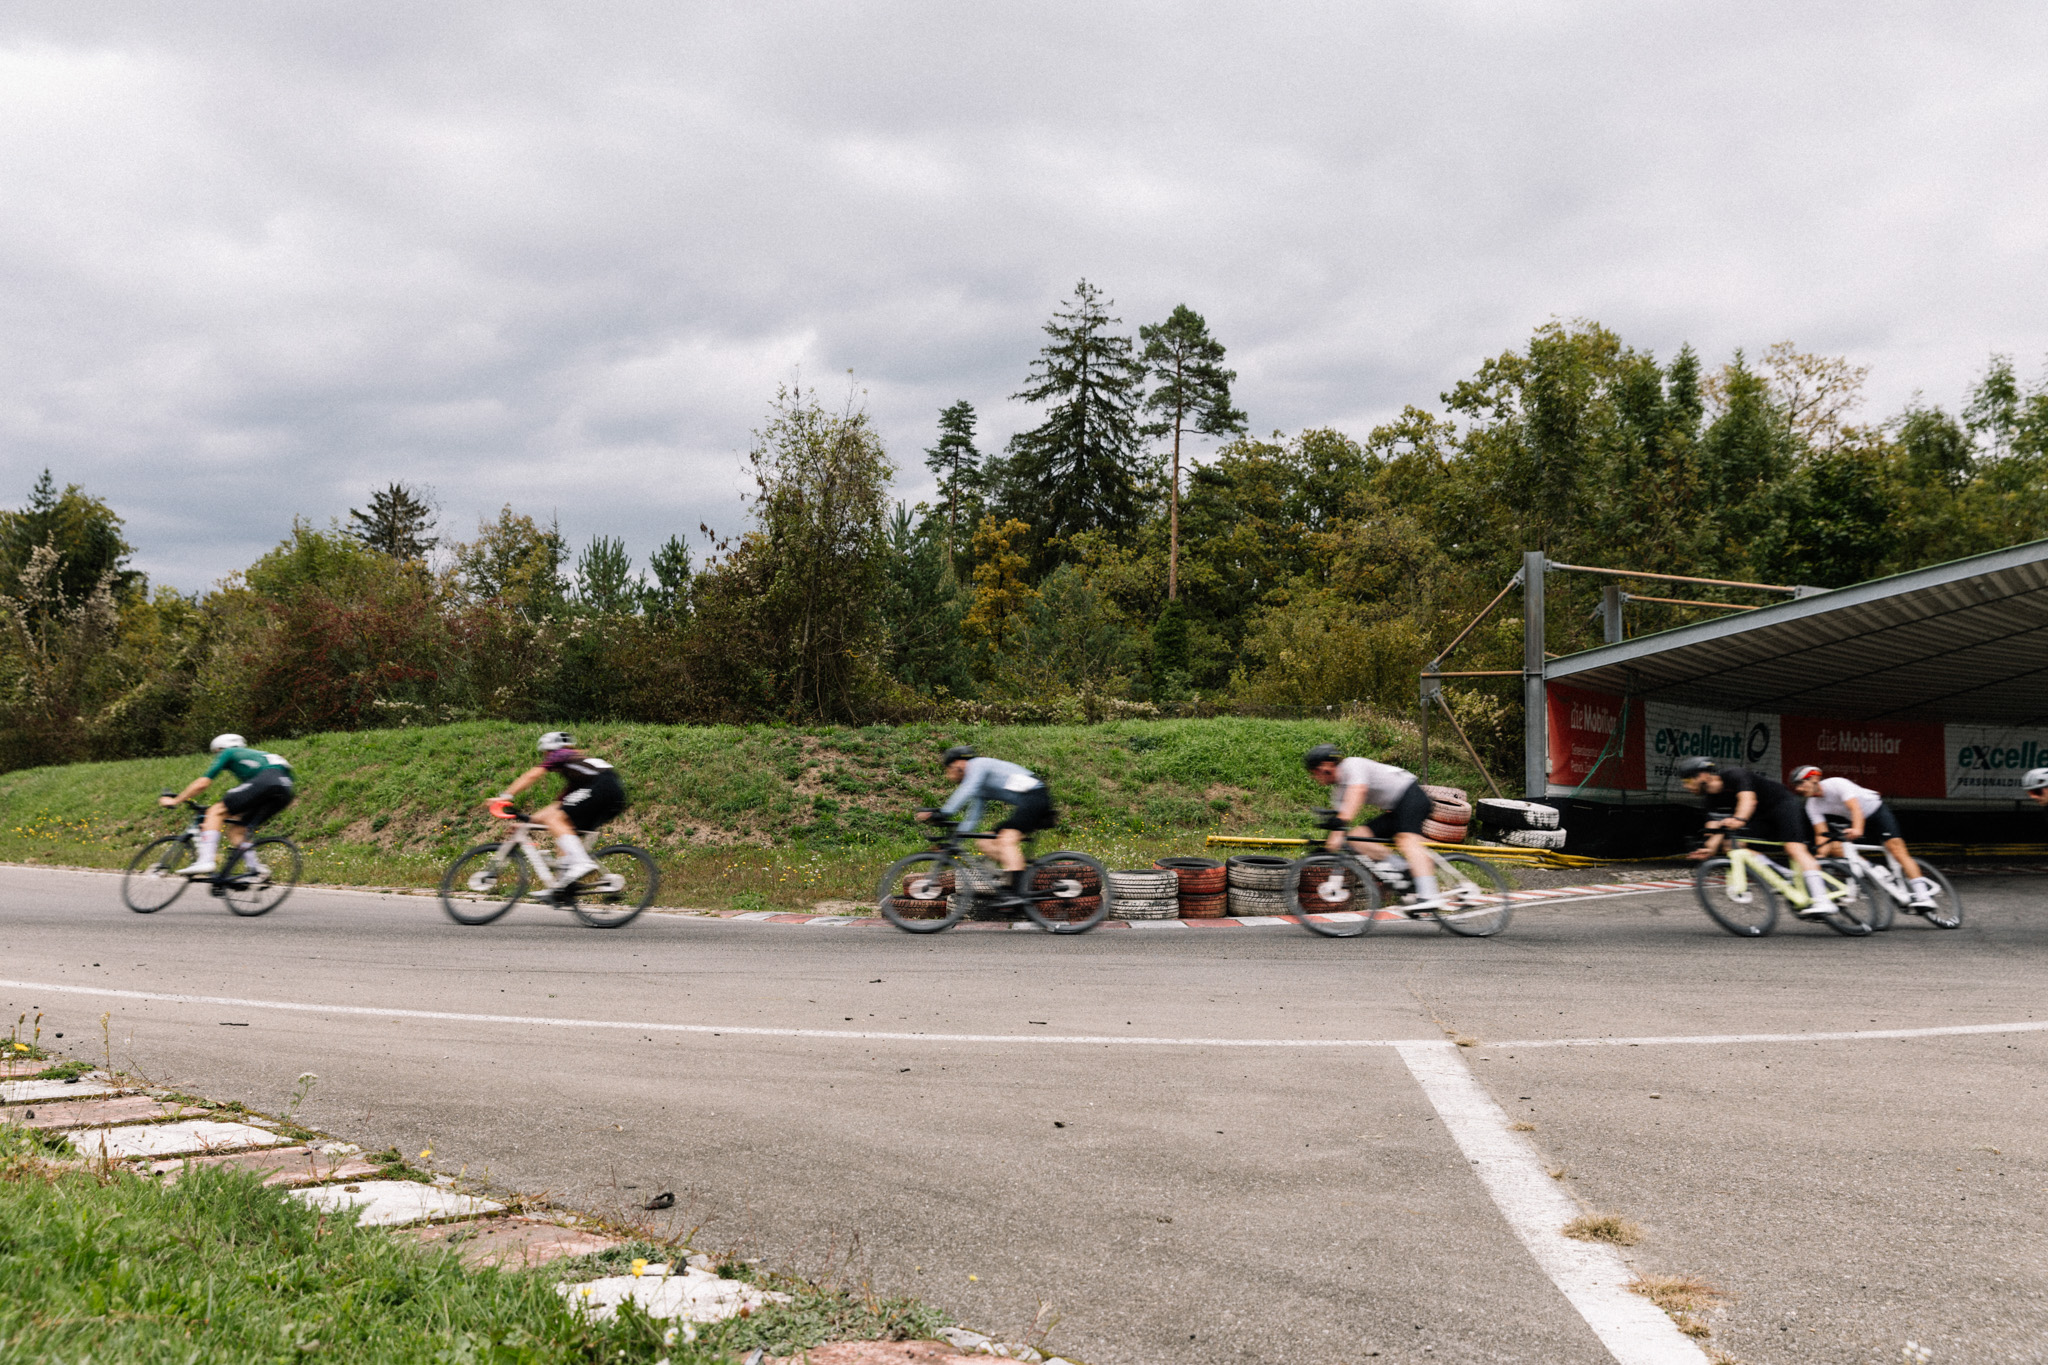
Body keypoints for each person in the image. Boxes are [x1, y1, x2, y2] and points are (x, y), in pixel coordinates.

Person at [1677, 755, 1837, 917]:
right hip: (1759, 817)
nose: (1686, 786)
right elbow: (1714, 827)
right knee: (1732, 846)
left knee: (1794, 848)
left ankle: (1823, 901)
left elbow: (1748, 801)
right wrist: (1707, 848)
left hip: (1782, 805)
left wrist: (1739, 819)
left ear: (1704, 775)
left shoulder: (1734, 775)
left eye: (1688, 781)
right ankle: (1783, 873)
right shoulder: (1710, 799)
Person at [1304, 743, 1439, 909]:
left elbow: (1358, 791)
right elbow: (1338, 832)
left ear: (1326, 766)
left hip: (1411, 796)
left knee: (1406, 840)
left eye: (1314, 772)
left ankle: (1430, 895)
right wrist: (1324, 851)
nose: (1315, 777)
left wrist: (1341, 820)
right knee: (1356, 838)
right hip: (1396, 809)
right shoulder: (1338, 791)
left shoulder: (1352, 765)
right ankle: (1406, 870)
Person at [916, 745, 1057, 906]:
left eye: (948, 769)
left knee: (1006, 840)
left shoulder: (978, 765)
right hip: (1026, 802)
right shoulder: (980, 787)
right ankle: (1020, 874)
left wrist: (943, 813)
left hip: (1034, 796)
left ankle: (1018, 892)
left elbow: (967, 789)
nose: (949, 776)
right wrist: (955, 841)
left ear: (958, 763)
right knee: (985, 841)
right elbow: (972, 818)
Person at [1790, 763, 1938, 910]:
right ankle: (1871, 867)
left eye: (1800, 784)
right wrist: (1820, 856)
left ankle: (1923, 896)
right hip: (1857, 819)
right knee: (1834, 847)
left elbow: (1856, 809)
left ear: (1814, 779)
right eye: (1795, 786)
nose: (1798, 789)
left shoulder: (1836, 784)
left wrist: (1857, 829)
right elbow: (1821, 834)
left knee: (1897, 850)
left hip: (1876, 812)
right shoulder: (1812, 805)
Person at [489, 731, 625, 886]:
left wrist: (505, 796)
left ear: (550, 749)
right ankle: (562, 885)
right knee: (564, 828)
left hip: (602, 787)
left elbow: (532, 775)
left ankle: (581, 863)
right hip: (614, 793)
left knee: (556, 821)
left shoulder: (561, 754)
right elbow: (555, 809)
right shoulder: (579, 773)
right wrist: (526, 824)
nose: (546, 756)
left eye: (545, 753)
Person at [160, 734, 296, 878]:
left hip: (266, 781)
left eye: (216, 753)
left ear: (220, 748)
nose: (216, 756)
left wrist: (176, 800)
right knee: (237, 830)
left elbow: (202, 784)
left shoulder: (228, 752)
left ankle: (205, 861)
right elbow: (248, 796)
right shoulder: (257, 758)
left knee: (216, 811)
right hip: (285, 790)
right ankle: (256, 871)